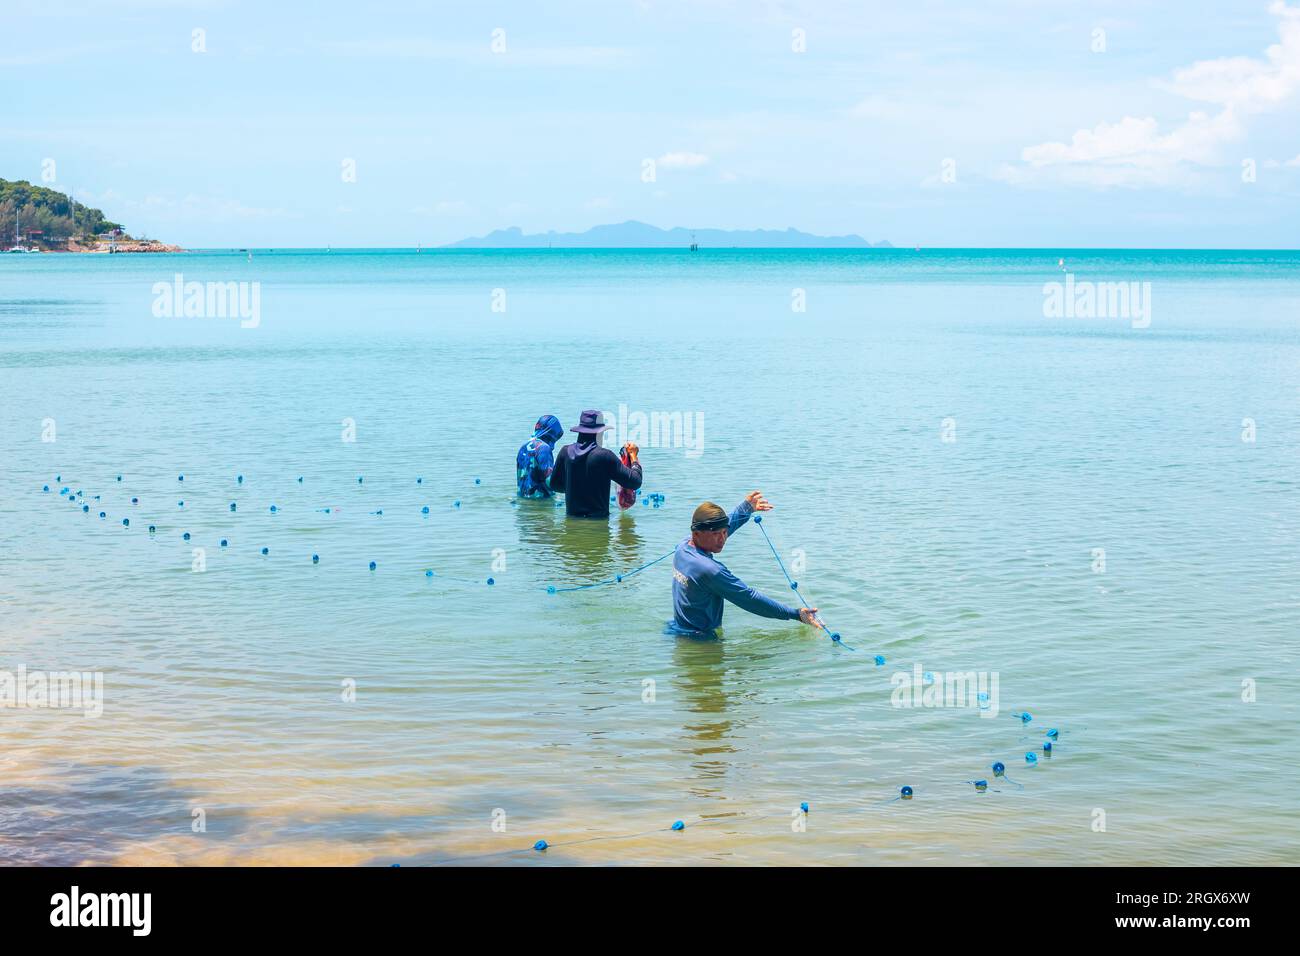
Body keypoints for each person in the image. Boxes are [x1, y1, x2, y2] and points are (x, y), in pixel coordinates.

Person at [669, 491, 818, 635]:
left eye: (724, 532)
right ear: (696, 533)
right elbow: (749, 599)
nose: (722, 539)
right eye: (715, 534)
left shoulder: (682, 547)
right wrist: (796, 614)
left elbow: (722, 527)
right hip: (700, 640)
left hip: (677, 628)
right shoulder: (709, 570)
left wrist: (745, 509)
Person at [548, 409, 642, 518]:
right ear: (599, 433)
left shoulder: (565, 452)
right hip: (598, 525)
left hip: (572, 522)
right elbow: (635, 482)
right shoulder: (605, 456)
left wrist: (575, 488)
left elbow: (555, 485)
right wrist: (633, 456)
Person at [516, 414, 564, 498]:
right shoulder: (544, 448)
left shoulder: (523, 447)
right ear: (551, 432)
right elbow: (550, 481)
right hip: (541, 501)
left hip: (523, 498)